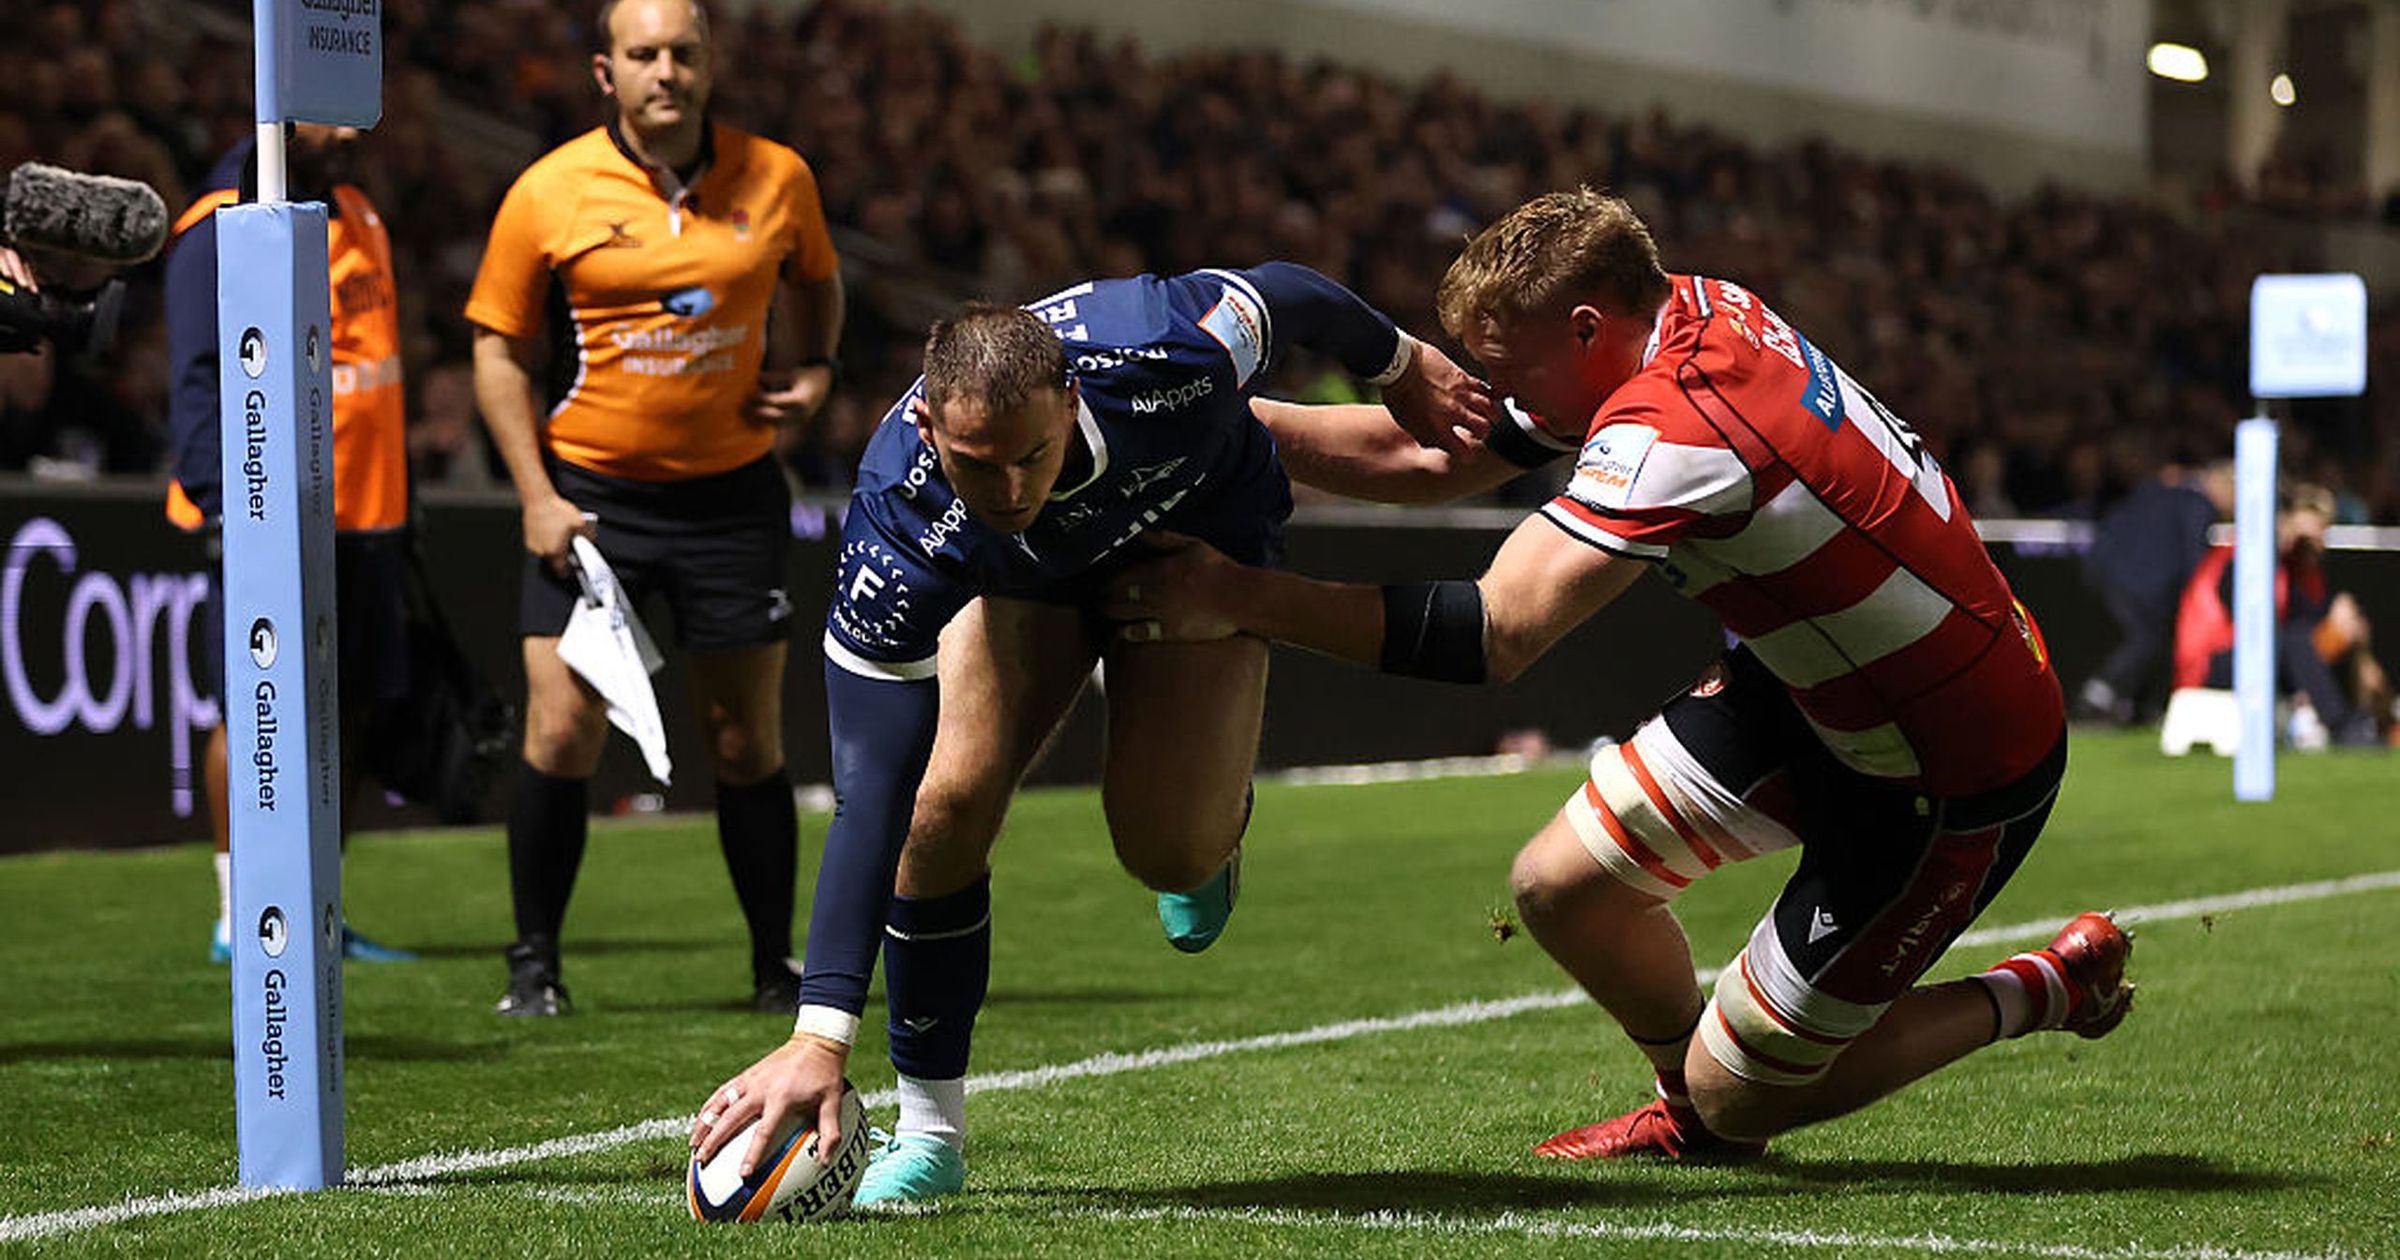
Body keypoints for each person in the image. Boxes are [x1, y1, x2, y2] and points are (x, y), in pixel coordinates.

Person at [1105, 189, 2135, 1161]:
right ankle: (1691, 1112)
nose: (1495, 394)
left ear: (1589, 327)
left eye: (1508, 367)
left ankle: (2043, 987)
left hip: (1949, 761)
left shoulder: (1679, 427)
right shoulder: (1685, 310)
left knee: (1747, 1092)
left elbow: (1497, 633)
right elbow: (1431, 455)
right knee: (1558, 889)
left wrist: (1236, 596)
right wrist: (1190, 422)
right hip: (1818, 688)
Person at [688, 266, 1515, 1207]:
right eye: (977, 462)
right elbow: (871, 789)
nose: (1009, 487)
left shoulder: (1164, 350)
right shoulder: (899, 525)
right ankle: (931, 1132)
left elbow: (1292, 293)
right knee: (937, 809)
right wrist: (819, 1036)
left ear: (1073, 397)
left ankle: (1210, 841)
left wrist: (1398, 363)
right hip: (1023, 585)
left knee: (1167, 846)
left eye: (1030, 456)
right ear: (928, 431)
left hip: (1193, 543)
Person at [465, 0, 845, 1016]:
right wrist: (535, 496)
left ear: (711, 63)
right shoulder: (549, 190)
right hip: (589, 501)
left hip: (733, 502)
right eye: (643, 55)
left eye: (683, 53)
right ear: (605, 71)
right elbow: (497, 350)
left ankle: (775, 969)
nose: (664, 72)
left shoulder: (779, 176)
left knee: (745, 742)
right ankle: (534, 965)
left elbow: (818, 279)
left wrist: (814, 373)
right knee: (561, 730)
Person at [163, 123, 418, 965]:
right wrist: (223, 507)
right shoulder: (217, 225)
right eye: (326, 113)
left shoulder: (360, 214)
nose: (347, 129)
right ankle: (241, 912)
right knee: (252, 704)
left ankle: (318, 911)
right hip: (265, 515)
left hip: (368, 510)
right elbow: (199, 378)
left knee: (342, 712)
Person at [2172, 486, 2389, 748]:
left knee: (2328, 635)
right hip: (2212, 661)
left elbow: (2310, 621)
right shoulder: (2241, 559)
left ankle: (2363, 719)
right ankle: (2341, 727)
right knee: (2296, 642)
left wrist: (2352, 640)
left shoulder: (2294, 570)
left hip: (2258, 654)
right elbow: (2248, 617)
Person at [2074, 455, 2231, 726]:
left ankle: (2133, 705)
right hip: (2142, 582)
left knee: (2149, 640)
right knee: (2148, 640)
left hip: (2106, 571)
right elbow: (2195, 559)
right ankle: (2099, 695)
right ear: (2216, 481)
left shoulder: (2155, 489)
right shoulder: (2197, 504)